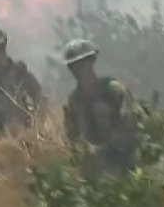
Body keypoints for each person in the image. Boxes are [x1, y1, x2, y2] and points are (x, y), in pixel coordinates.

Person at [61, 38, 142, 175]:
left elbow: (130, 126)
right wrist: (84, 152)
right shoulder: (74, 101)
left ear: (91, 61)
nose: (78, 69)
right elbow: (72, 136)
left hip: (125, 161)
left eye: (82, 63)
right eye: (73, 65)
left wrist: (102, 148)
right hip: (92, 169)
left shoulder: (115, 91)